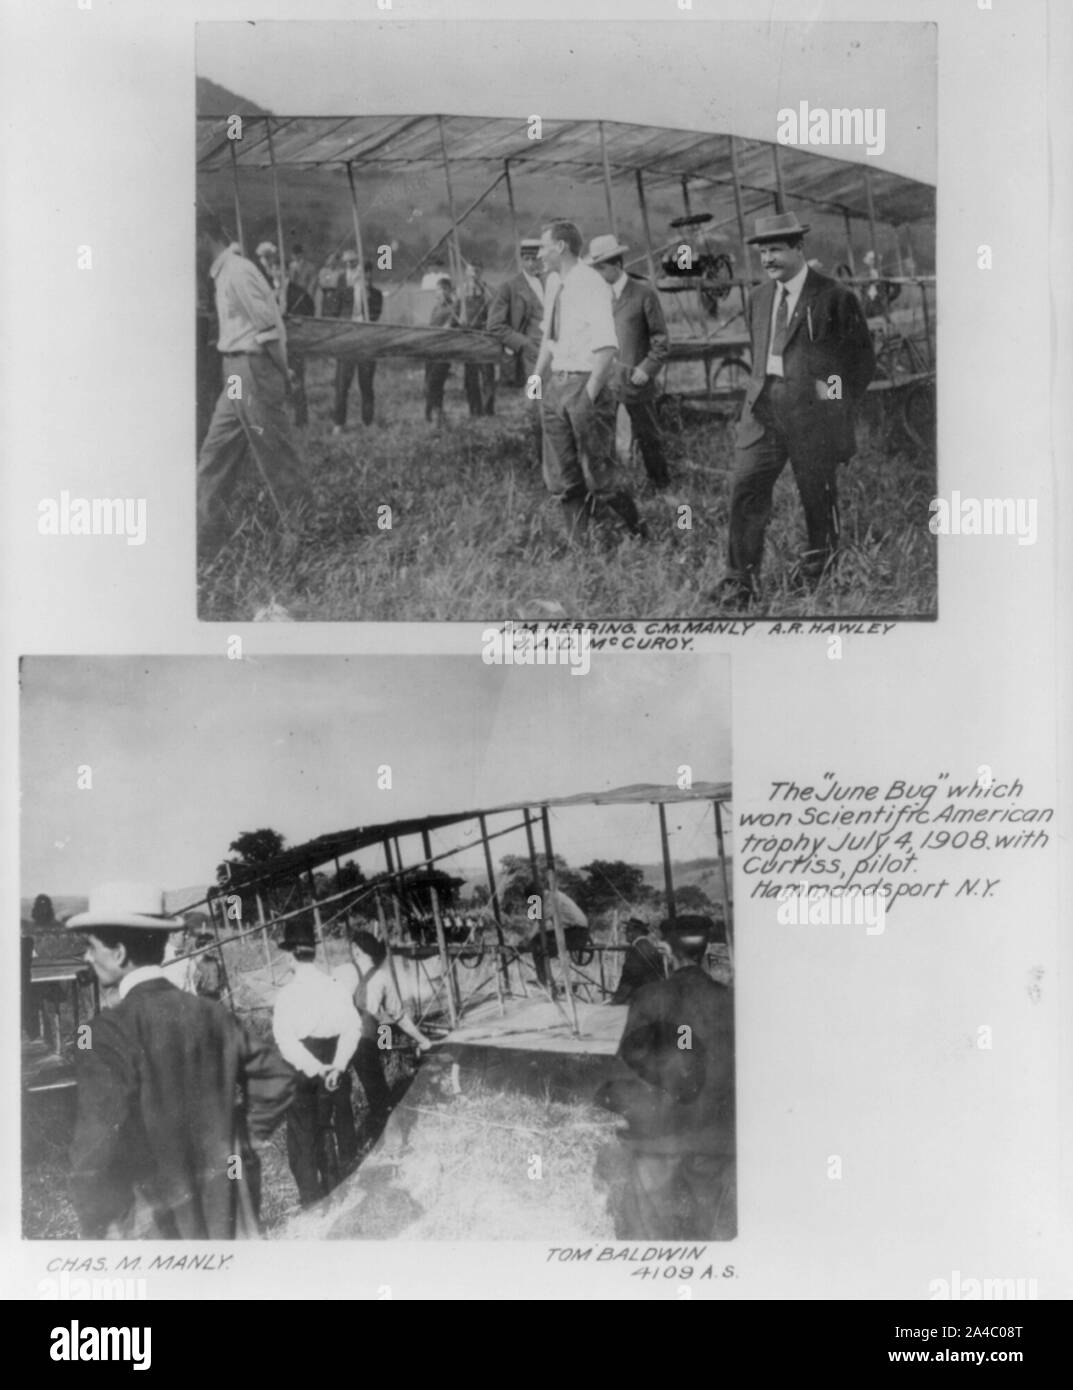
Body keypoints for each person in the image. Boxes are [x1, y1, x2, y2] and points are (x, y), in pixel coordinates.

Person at [66, 883, 293, 1239]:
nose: (87, 958)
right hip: (225, 1208)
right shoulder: (212, 1014)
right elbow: (277, 1078)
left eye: (90, 946)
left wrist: (94, 1219)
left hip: (152, 1220)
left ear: (120, 952)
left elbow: (95, 1145)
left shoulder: (106, 1032)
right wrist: (240, 1140)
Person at [716, 211, 876, 605]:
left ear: (799, 248)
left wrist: (830, 402)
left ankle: (821, 576)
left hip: (813, 418)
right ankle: (740, 582)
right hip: (763, 413)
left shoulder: (835, 296)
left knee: (817, 497)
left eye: (775, 249)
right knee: (745, 488)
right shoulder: (758, 298)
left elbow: (860, 363)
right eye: (762, 251)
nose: (767, 259)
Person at [596, 915, 735, 1240]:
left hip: (660, 1133)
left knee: (647, 1225)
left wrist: (627, 1110)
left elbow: (626, 1068)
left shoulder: (649, 997)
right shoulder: (729, 1000)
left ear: (668, 954)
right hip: (714, 1134)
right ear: (703, 951)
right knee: (714, 1224)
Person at [195, 211, 314, 562]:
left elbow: (268, 330)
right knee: (214, 455)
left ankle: (305, 534)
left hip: (253, 367)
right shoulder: (222, 274)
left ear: (204, 237)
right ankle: (205, 538)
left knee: (276, 454)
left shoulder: (238, 272)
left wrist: (285, 372)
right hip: (233, 369)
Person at [534, 219, 646, 542]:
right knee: (564, 478)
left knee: (601, 479)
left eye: (543, 247)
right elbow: (548, 338)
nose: (539, 255)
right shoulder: (554, 283)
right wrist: (536, 380)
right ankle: (580, 549)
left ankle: (638, 531)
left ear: (560, 246)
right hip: (556, 386)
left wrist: (588, 395)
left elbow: (608, 347)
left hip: (585, 386)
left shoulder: (590, 284)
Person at [271, 917, 362, 1207]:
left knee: (302, 1133)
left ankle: (312, 1200)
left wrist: (315, 1067)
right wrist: (336, 1065)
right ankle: (334, 1187)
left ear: (291, 955)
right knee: (325, 1125)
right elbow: (353, 1028)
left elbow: (286, 1042)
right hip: (330, 1058)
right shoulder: (334, 986)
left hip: (301, 1065)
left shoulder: (287, 994)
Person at [332, 930, 433, 1145]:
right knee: (378, 1093)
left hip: (338, 1039)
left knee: (339, 1097)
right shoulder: (383, 977)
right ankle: (392, 1142)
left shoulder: (340, 971)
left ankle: (347, 1152)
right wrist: (422, 1039)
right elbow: (399, 1017)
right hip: (366, 1039)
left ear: (356, 950)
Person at [587, 234, 671, 491]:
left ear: (616, 265)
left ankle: (661, 484)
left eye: (601, 268)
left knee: (649, 436)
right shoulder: (599, 297)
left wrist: (647, 369)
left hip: (636, 381)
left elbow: (661, 339)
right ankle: (615, 486)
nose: (598, 274)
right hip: (607, 380)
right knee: (605, 435)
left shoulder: (643, 294)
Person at [486, 237, 546, 465]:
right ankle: (540, 462)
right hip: (531, 360)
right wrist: (523, 344)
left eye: (536, 259)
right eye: (528, 259)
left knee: (555, 407)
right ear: (521, 260)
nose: (532, 264)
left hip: (555, 355)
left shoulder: (550, 282)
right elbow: (495, 325)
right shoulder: (510, 288)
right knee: (535, 407)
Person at [331, 255, 384, 433]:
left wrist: (367, 295)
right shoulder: (344, 293)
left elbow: (375, 316)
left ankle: (367, 422)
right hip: (347, 344)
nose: (364, 277)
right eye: (360, 273)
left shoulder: (376, 295)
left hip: (366, 344)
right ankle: (339, 423)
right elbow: (334, 314)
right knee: (341, 385)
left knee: (366, 384)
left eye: (367, 273)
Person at [460, 261, 496, 418]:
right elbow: (455, 312)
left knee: (487, 375)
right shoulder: (461, 291)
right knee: (470, 376)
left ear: (481, 273)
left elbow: (496, 311)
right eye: (471, 272)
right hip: (468, 337)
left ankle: (488, 410)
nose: (474, 275)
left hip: (485, 337)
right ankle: (474, 411)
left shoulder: (488, 290)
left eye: (477, 272)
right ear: (466, 273)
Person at [424, 276, 459, 426]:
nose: (442, 292)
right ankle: (434, 413)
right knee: (428, 384)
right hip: (431, 351)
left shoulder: (453, 307)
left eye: (445, 289)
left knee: (434, 383)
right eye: (439, 289)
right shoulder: (435, 308)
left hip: (444, 351)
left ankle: (437, 414)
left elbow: (450, 326)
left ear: (450, 291)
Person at [607, 917, 665, 1005]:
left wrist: (616, 1001)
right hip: (658, 997)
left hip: (642, 1001)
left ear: (637, 932)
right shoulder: (652, 949)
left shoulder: (636, 951)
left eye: (629, 930)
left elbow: (628, 981)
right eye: (626, 930)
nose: (626, 933)